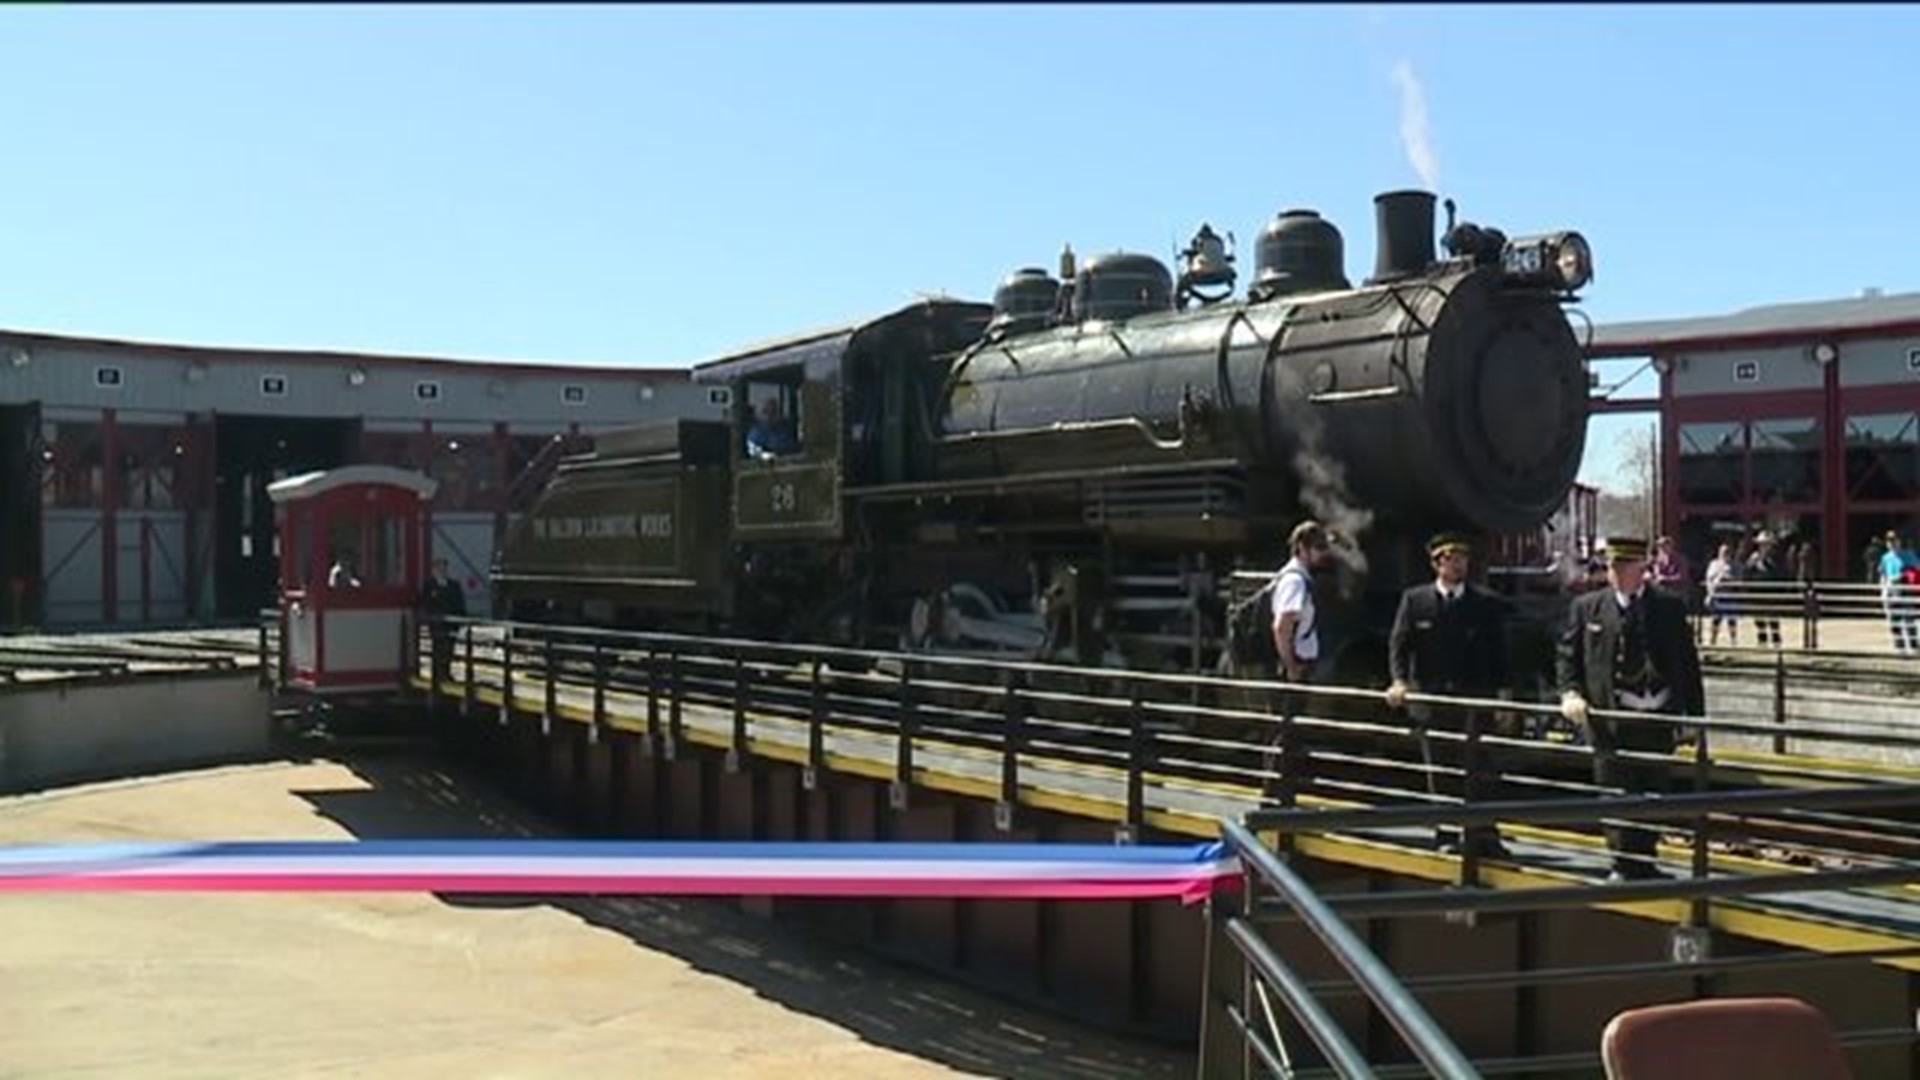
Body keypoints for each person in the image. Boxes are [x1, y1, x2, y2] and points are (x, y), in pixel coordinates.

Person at [1557, 537, 1706, 882]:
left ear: (1642, 570)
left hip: (1655, 715)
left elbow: (1688, 664)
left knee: (1652, 790)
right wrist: (1569, 693)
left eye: (1625, 567)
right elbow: (1568, 657)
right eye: (1612, 567)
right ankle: (1622, 863)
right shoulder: (1587, 607)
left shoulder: (1668, 608)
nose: (1616, 573)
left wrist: (1694, 718)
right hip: (1610, 719)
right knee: (1615, 791)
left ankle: (1645, 860)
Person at [1384, 533, 1512, 857]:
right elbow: (1399, 645)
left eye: (1463, 559)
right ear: (1437, 564)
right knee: (1441, 771)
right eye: (1452, 559)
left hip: (1475, 698)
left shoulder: (1484, 603)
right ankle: (1447, 833)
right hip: (1433, 700)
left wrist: (1504, 695)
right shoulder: (1416, 601)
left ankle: (1485, 834)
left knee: (1482, 769)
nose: (1459, 565)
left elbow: (1499, 652)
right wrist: (1399, 681)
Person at [1271, 520, 1336, 683]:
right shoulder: (1295, 581)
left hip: (1298, 665)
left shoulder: (1300, 578)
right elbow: (1281, 626)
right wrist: (1291, 666)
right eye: (1319, 547)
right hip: (1293, 670)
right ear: (1302, 548)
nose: (1324, 553)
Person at [418, 556, 468, 683]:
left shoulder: (454, 585)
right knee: (438, 647)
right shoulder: (429, 585)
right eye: (439, 567)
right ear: (434, 569)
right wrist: (429, 618)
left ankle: (446, 672)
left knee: (450, 648)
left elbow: (459, 603)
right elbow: (425, 603)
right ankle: (437, 673)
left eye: (444, 567)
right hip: (437, 623)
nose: (442, 570)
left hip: (450, 623)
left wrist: (461, 620)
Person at [1878, 532, 1919, 656]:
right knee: (1894, 619)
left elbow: (1918, 568)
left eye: (1894, 540)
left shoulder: (1908, 555)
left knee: (1908, 619)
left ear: (1899, 542)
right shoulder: (1885, 557)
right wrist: (1883, 591)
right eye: (1889, 541)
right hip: (1891, 588)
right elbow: (1883, 574)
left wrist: (1907, 574)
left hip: (1905, 589)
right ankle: (1899, 647)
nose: (1892, 543)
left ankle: (1913, 646)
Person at [1703, 542, 1739, 647]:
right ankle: (1713, 640)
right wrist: (1710, 592)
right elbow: (1709, 578)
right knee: (1716, 620)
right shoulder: (1713, 564)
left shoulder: (1735, 564)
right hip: (1717, 595)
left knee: (1731, 620)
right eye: (1723, 552)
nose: (1725, 554)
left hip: (1730, 595)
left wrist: (1730, 580)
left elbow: (1739, 579)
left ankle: (1733, 641)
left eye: (1727, 552)